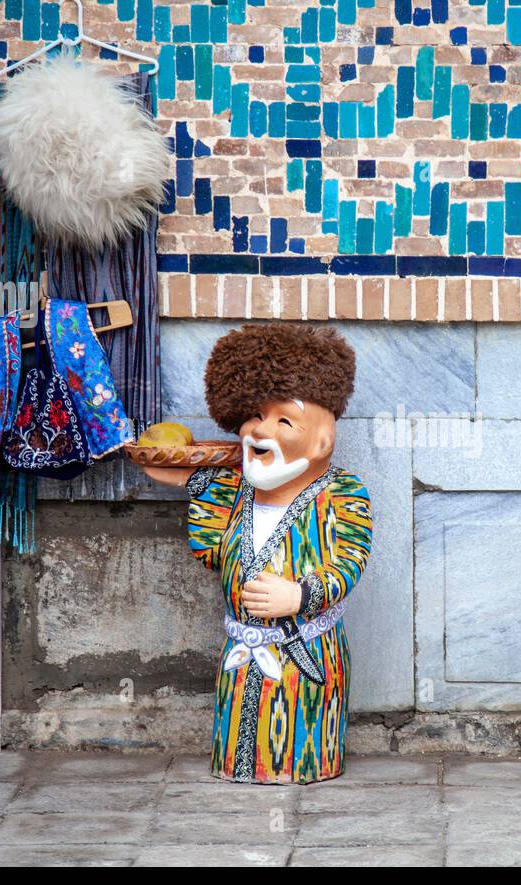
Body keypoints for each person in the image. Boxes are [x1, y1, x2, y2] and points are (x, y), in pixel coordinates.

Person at [158, 324, 372, 784]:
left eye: (284, 421)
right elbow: (211, 551)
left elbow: (350, 560)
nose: (260, 430)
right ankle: (239, 766)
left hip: (307, 657)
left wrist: (301, 595)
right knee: (238, 738)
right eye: (255, 415)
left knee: (299, 743)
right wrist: (183, 475)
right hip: (240, 656)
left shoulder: (342, 493)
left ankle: (302, 765)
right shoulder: (233, 491)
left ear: (323, 441)